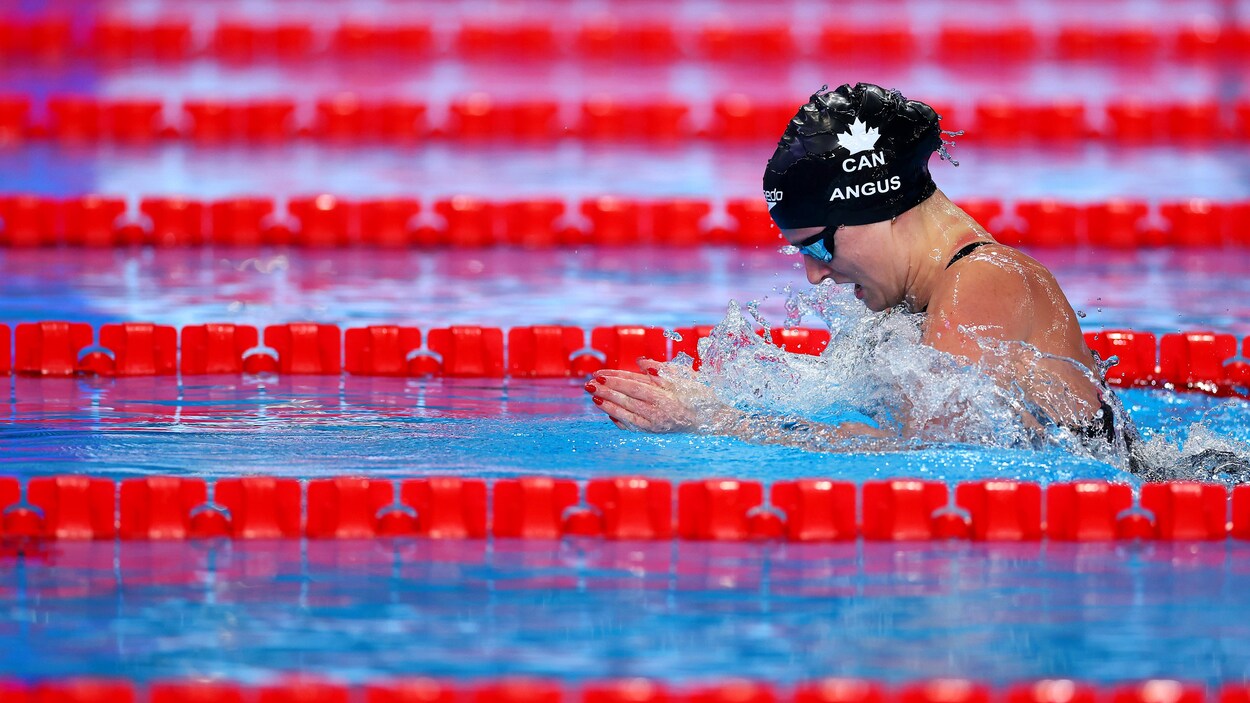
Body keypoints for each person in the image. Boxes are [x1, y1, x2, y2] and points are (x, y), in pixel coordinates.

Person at [584, 83, 1132, 456]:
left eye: (819, 248)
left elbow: (924, 455)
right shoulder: (922, 300)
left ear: (873, 210)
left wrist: (717, 424)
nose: (814, 276)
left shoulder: (982, 279)